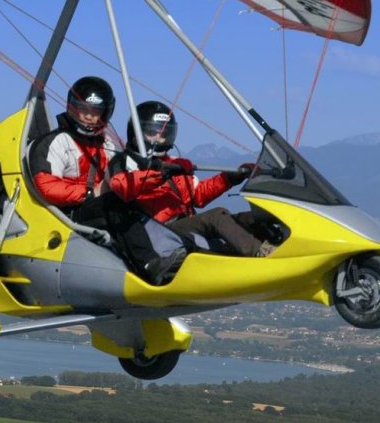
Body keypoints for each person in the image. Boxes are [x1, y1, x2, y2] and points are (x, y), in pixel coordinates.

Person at [31, 78, 184, 283]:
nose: (89, 117)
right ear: (71, 108)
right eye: (83, 110)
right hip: (67, 214)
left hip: (100, 208)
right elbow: (45, 185)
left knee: (132, 201)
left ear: (105, 113)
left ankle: (174, 251)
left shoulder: (107, 145)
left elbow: (121, 176)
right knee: (115, 203)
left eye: (95, 111)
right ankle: (149, 265)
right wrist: (88, 193)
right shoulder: (57, 142)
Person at [109, 101, 270, 257]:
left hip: (187, 222)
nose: (159, 138)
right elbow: (122, 187)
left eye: (164, 133)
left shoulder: (172, 162)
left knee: (248, 218)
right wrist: (160, 173)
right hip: (161, 231)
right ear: (137, 132)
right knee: (216, 216)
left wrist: (230, 178)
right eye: (152, 132)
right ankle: (259, 252)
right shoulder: (125, 162)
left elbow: (198, 196)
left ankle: (281, 246)